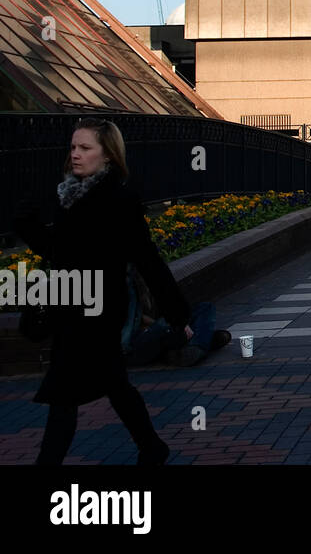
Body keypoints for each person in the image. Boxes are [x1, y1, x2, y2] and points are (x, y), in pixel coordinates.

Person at [13, 117, 195, 465]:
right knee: (115, 384)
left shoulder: (118, 199)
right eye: (73, 148)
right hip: (72, 306)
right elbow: (60, 253)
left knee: (63, 394)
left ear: (107, 155)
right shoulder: (70, 195)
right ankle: (152, 447)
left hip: (98, 311)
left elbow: (147, 258)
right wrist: (29, 227)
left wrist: (176, 313)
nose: (75, 155)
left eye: (85, 148)